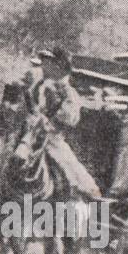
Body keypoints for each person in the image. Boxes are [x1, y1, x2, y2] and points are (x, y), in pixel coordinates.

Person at [26, 47, 102, 200]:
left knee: (71, 170)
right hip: (31, 136)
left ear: (58, 66)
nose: (43, 66)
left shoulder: (67, 92)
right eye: (43, 62)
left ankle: (87, 197)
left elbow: (72, 118)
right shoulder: (37, 87)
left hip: (52, 140)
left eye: (47, 62)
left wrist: (53, 113)